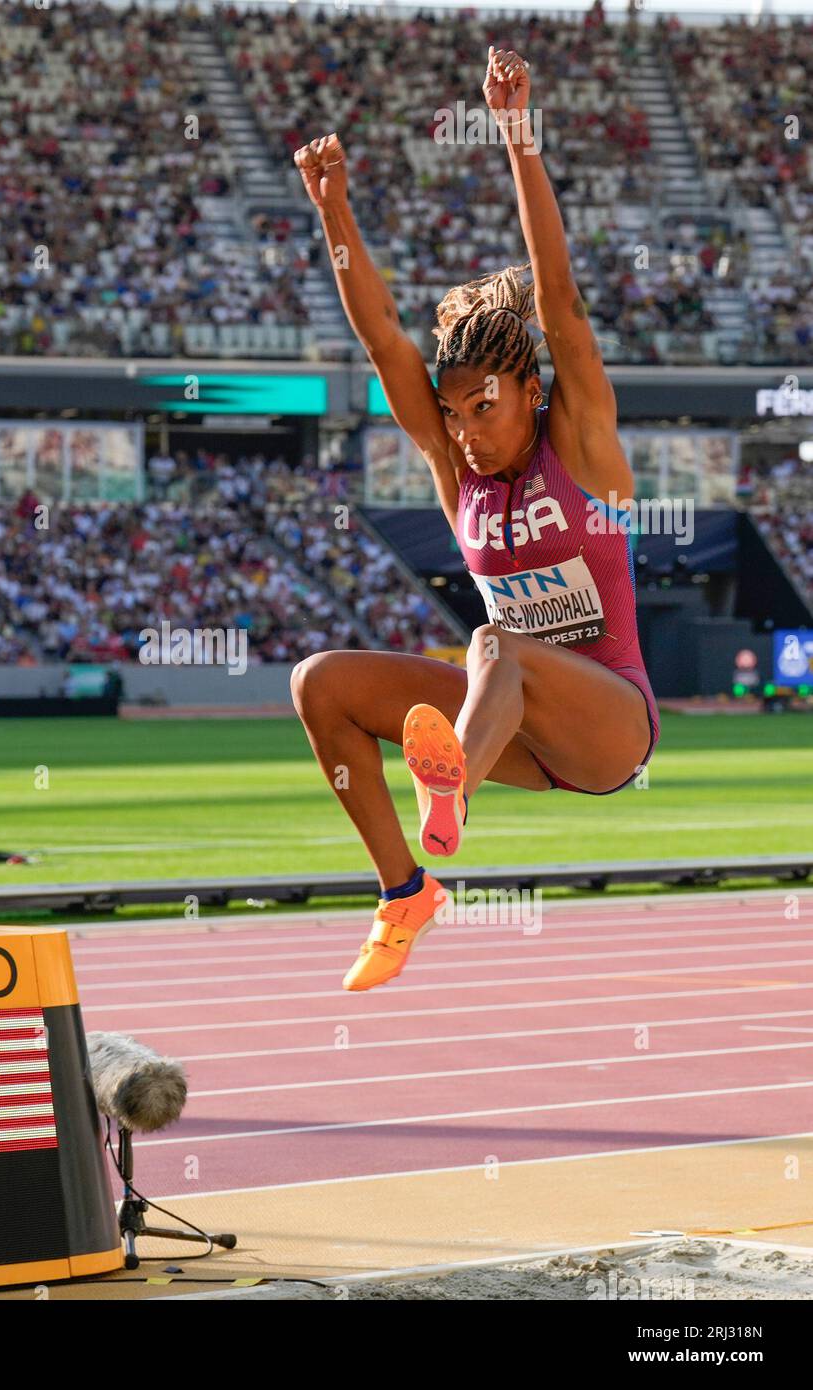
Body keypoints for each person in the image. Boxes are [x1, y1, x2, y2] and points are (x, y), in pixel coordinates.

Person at [290, 48, 660, 993]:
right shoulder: (455, 467)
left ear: (529, 393)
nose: (464, 431)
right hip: (515, 737)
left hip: (607, 727)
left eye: (482, 409)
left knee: (493, 642)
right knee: (319, 682)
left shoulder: (578, 447)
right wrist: (331, 207)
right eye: (449, 413)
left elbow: (560, 300)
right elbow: (382, 337)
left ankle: (447, 780)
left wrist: (514, 129)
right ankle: (403, 890)